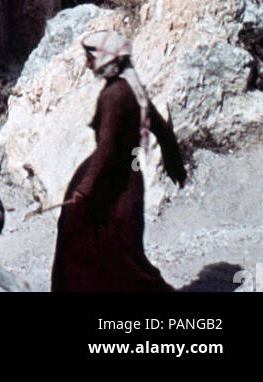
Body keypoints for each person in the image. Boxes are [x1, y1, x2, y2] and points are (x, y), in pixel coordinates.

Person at [51, 30, 186, 292]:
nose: (87, 64)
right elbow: (161, 128)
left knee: (94, 249)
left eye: (90, 58)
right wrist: (174, 163)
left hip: (112, 188)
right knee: (121, 256)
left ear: (106, 58)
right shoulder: (131, 88)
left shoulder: (113, 95)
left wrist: (85, 189)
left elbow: (107, 149)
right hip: (128, 183)